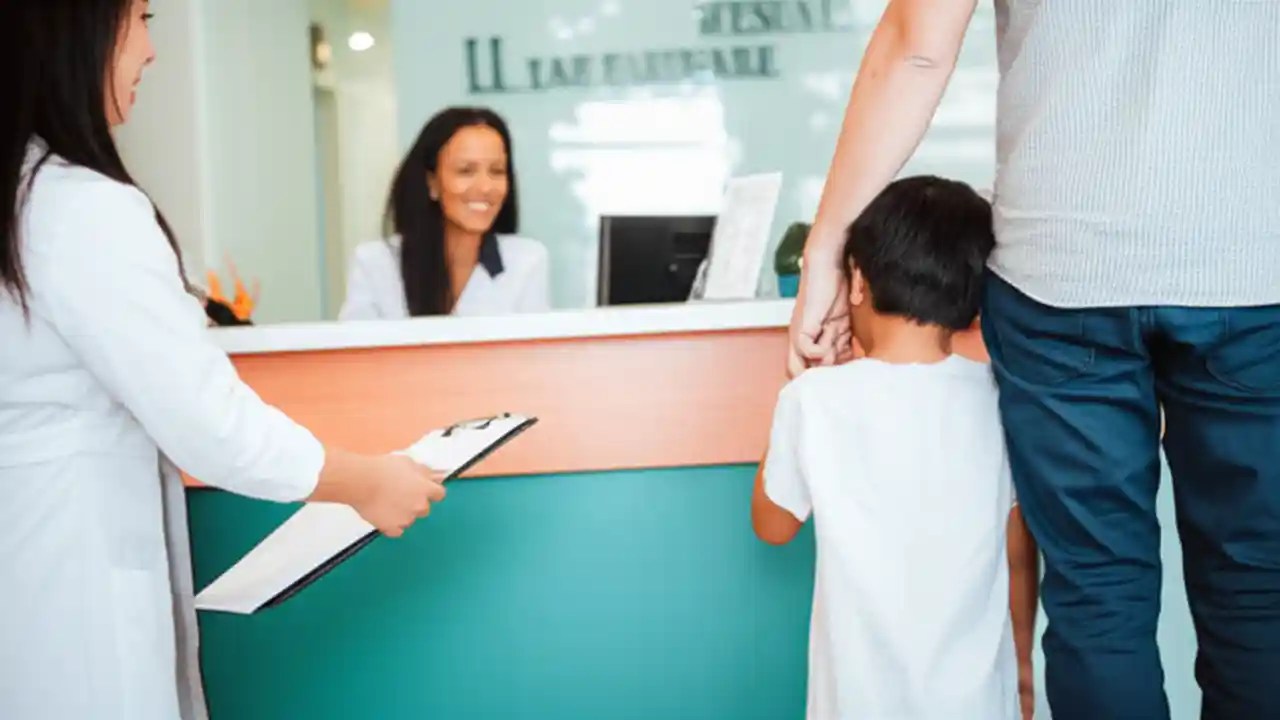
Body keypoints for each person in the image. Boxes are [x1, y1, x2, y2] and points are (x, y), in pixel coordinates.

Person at [789, 3, 1280, 718]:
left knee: (1098, 593)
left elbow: (915, 49)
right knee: (1259, 591)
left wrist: (827, 249)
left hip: (1063, 272)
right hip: (1252, 266)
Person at [0, 3, 447, 718]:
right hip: (73, 597)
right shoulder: (79, 207)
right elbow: (210, 424)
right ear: (80, 30)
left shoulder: (25, 195)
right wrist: (367, 482)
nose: (152, 51)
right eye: (142, 19)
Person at [755, 176, 1038, 719]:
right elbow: (1018, 554)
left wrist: (803, 386)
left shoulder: (815, 400)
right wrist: (1023, 672)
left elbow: (773, 525)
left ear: (856, 280)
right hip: (975, 702)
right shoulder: (1000, 400)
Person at [338, 107, 551, 320]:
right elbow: (354, 351)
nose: (485, 187)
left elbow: (531, 352)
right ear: (432, 183)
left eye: (497, 171)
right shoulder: (375, 263)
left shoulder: (527, 261)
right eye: (466, 171)